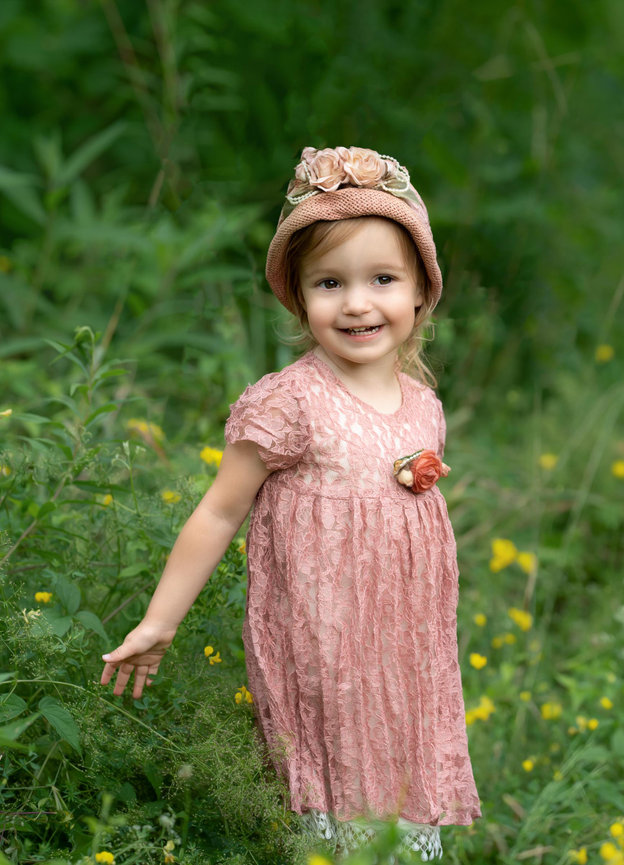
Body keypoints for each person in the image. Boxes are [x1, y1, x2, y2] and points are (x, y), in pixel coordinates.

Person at [100, 145, 481, 861]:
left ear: (421, 291)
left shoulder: (423, 406)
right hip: (322, 649)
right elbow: (219, 511)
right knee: (331, 793)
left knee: (397, 786)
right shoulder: (291, 402)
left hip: (402, 653)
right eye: (330, 282)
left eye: (383, 279)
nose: (357, 302)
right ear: (299, 298)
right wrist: (159, 621)